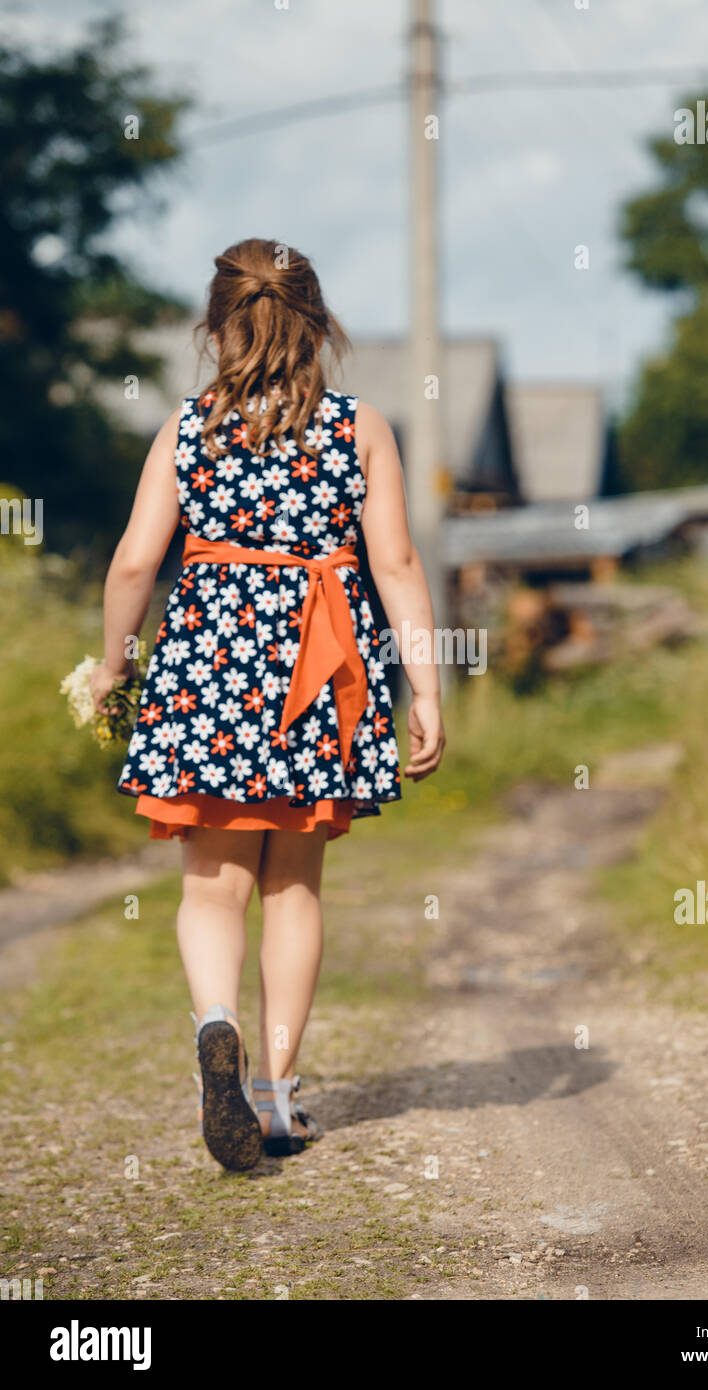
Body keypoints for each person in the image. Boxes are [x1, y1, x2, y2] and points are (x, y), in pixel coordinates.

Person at [90, 238, 445, 1170]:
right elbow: (397, 564)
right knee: (293, 885)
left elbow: (135, 560)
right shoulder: (358, 427)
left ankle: (217, 1026)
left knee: (213, 888)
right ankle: (278, 1101)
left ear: (215, 327)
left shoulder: (188, 427)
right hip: (318, 674)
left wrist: (111, 665)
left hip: (207, 670)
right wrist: (429, 685)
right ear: (319, 323)